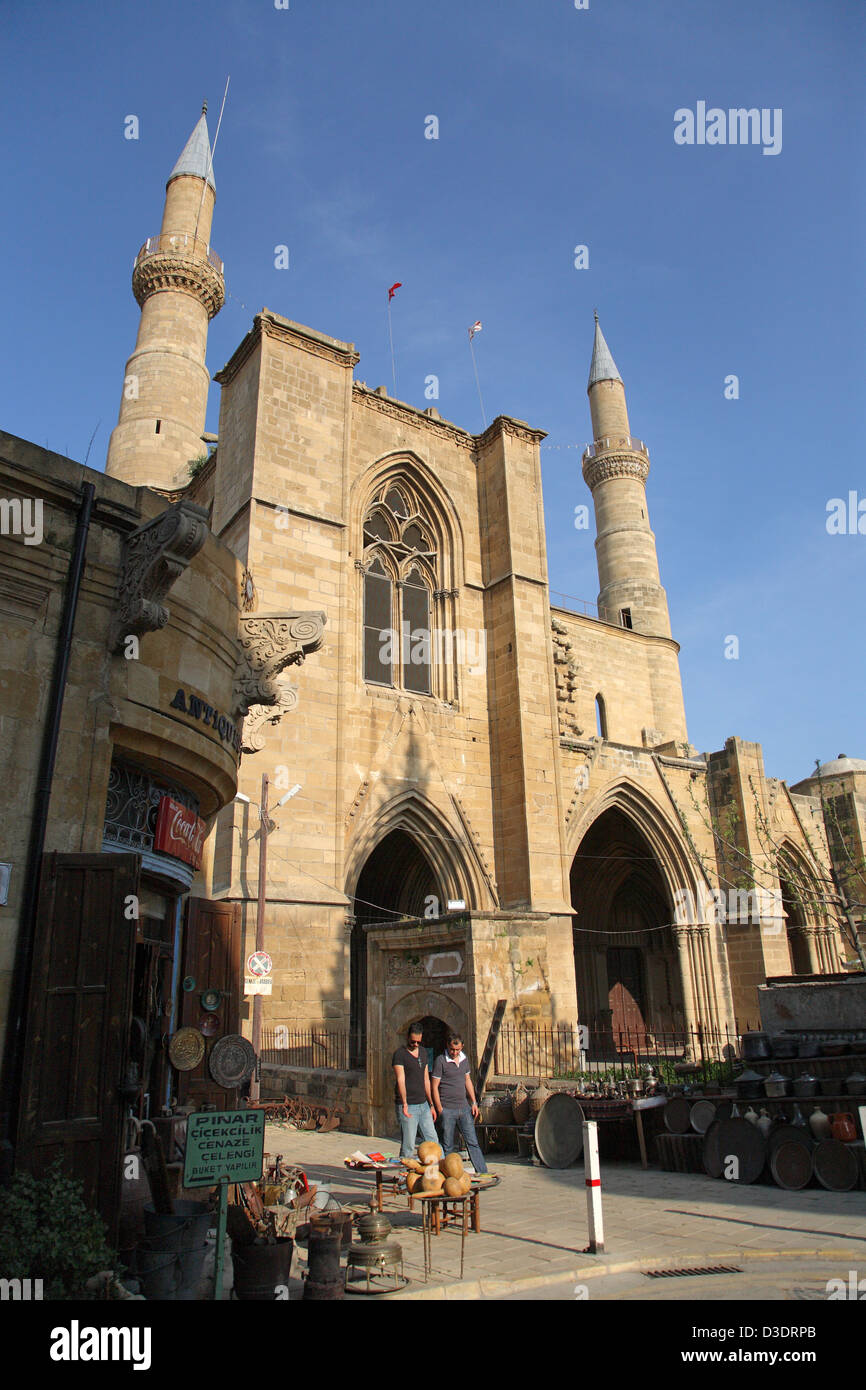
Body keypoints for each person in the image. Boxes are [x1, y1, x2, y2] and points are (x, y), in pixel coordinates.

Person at [431, 1033, 488, 1174]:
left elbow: (467, 1080)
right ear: (448, 1046)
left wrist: (474, 1102)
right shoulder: (440, 1061)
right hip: (447, 1109)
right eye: (452, 1050)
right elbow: (434, 1086)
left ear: (462, 1047)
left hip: (464, 1108)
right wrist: (440, 1109)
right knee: (448, 1145)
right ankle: (448, 1174)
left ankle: (482, 1171)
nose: (454, 1053)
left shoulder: (464, 1059)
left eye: (457, 1050)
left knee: (472, 1142)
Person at [392, 1022, 439, 1158]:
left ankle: (433, 1174)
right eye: (413, 1042)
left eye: (418, 1042)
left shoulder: (423, 1052)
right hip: (408, 1105)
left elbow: (426, 1079)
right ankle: (404, 1176)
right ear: (407, 1038)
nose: (416, 1045)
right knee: (408, 1145)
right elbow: (401, 1079)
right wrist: (405, 1104)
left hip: (423, 1104)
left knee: (433, 1141)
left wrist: (431, 1104)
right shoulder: (399, 1054)